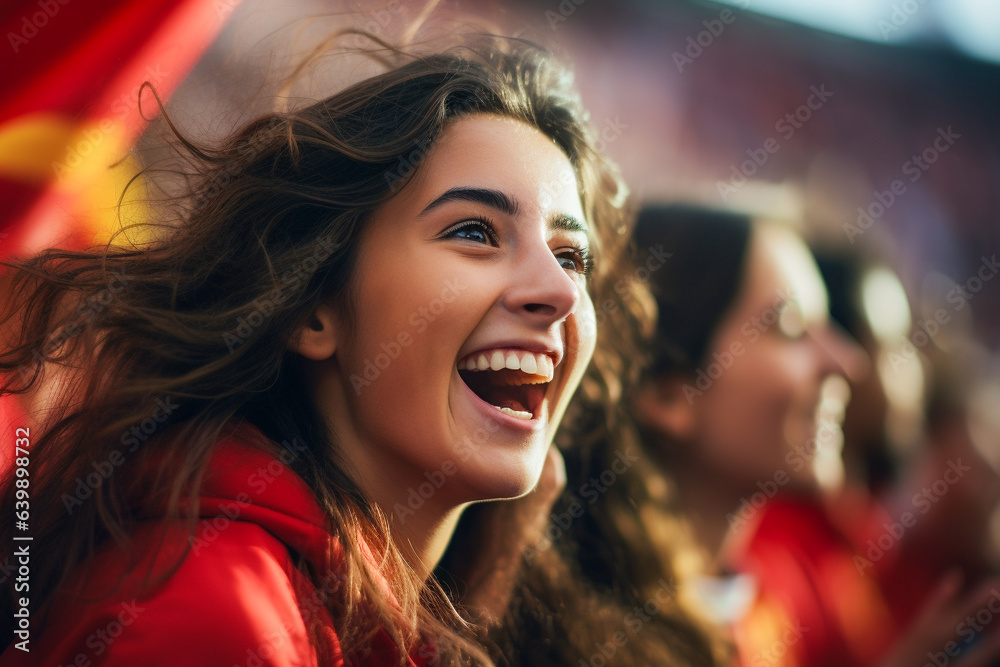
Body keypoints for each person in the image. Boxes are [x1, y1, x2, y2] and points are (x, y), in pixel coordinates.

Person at [0, 32, 639, 665]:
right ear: (311, 309)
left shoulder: (361, 616)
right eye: (475, 232)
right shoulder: (220, 618)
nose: (558, 290)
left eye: (571, 255)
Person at [627, 204, 1000, 667]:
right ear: (667, 393)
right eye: (790, 327)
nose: (847, 362)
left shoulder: (759, 601)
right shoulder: (574, 623)